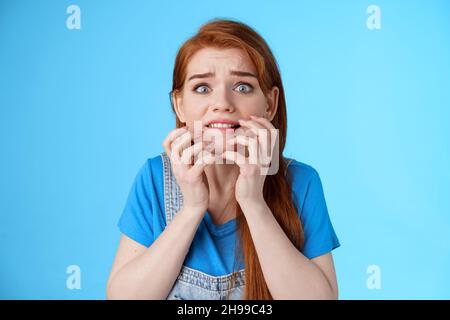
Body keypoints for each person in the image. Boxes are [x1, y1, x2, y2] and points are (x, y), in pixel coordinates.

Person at [106, 19, 340, 300]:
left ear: (270, 103)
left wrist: (253, 201)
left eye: (242, 87)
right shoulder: (155, 178)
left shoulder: (302, 182)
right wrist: (192, 208)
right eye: (203, 88)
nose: (223, 103)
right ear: (179, 105)